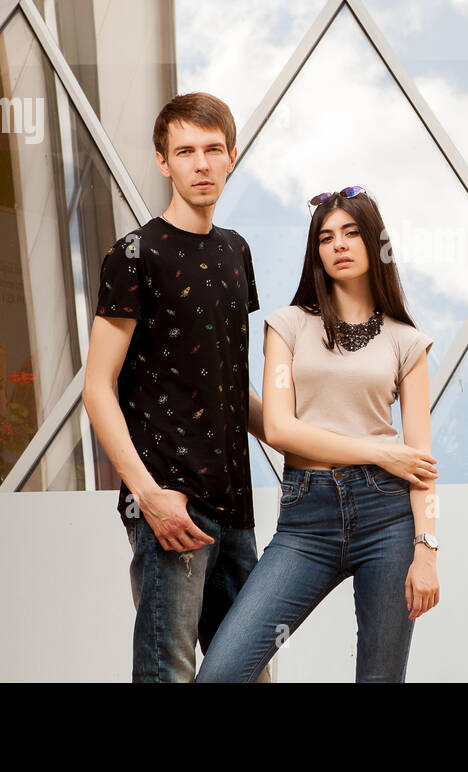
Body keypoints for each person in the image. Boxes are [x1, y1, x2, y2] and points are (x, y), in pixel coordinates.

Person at [196, 186, 441, 683]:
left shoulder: (408, 342)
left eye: (352, 233)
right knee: (222, 672)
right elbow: (281, 428)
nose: (340, 245)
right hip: (307, 521)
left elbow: (421, 463)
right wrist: (379, 452)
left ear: (375, 244)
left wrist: (427, 551)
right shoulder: (287, 327)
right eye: (327, 237)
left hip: (387, 520)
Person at [83, 92, 267, 682]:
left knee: (250, 673)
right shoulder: (134, 254)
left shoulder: (237, 252)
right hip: (170, 503)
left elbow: (230, 390)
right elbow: (96, 387)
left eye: (214, 149)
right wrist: (149, 494)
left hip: (236, 510)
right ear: (163, 161)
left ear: (232, 156)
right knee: (168, 673)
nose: (202, 163)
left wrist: (312, 447)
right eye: (185, 151)